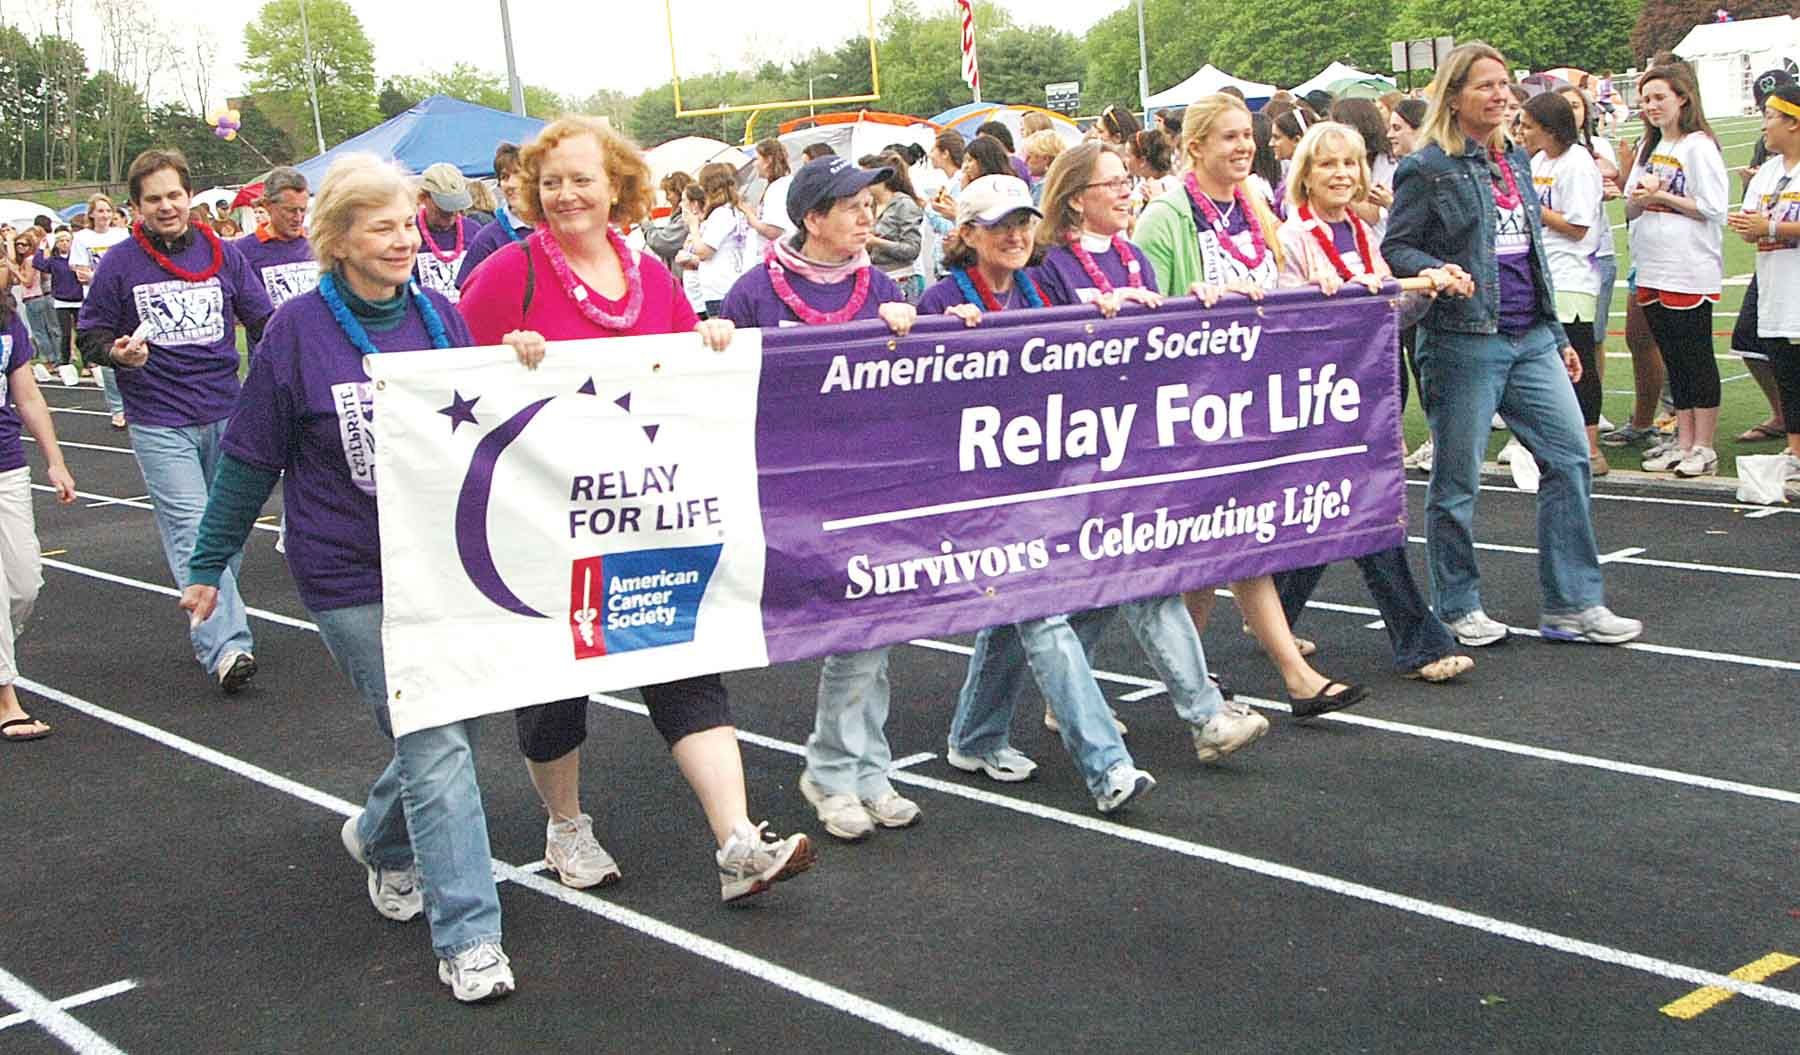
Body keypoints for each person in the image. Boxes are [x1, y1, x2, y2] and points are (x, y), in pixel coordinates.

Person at [181, 154, 515, 1003]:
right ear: (337, 238)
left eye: (409, 224)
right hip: (348, 571)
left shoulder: (443, 314)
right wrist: (208, 563)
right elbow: (250, 458)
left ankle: (379, 835)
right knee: (435, 735)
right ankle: (470, 933)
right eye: (384, 227)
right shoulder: (296, 332)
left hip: (443, 562)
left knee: (450, 732)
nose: (406, 240)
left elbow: (496, 428)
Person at [459, 115, 814, 898]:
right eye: (550, 182)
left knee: (687, 669)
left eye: (581, 178)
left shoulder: (652, 275)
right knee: (554, 688)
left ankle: (736, 842)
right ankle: (565, 825)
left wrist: (712, 341)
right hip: (544, 527)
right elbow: (444, 378)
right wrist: (499, 358)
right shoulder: (507, 274)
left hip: (645, 514)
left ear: (617, 185)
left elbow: (681, 374)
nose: (564, 194)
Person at [1383, 42, 1643, 648]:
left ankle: (1573, 604)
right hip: (1463, 339)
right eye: (1486, 86)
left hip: (1529, 337)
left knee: (1569, 459)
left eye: (1505, 85)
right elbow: (1397, 248)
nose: (1501, 96)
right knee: (1457, 481)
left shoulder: (1517, 161)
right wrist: (1437, 269)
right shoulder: (1426, 168)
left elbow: (1533, 255)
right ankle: (1457, 604)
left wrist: (1555, 333)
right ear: (1454, 96)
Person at [920, 174, 1164, 812]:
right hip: (979, 485)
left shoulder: (1043, 287)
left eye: (1025, 221)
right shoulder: (942, 297)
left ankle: (975, 736)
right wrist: (940, 335)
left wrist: (1104, 319)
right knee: (1042, 608)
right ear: (967, 234)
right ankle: (1107, 764)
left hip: (1047, 473)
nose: (1017, 235)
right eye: (1000, 224)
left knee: (1034, 604)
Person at [1132, 93, 1367, 714]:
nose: (1244, 148)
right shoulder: (1167, 215)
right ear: (1196, 145)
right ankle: (1274, 677)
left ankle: (1222, 681)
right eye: (1230, 137)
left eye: (1249, 137)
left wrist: (1310, 289)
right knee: (1212, 550)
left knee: (1230, 544)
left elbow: (1272, 285)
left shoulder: (1257, 205)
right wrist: (1198, 297)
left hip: (1252, 395)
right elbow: (1145, 311)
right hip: (1192, 401)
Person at [717, 155, 920, 842]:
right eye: (853, 205)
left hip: (869, 478)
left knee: (875, 628)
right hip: (790, 489)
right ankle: (836, 770)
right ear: (812, 218)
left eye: (871, 202)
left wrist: (908, 327)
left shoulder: (882, 284)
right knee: (854, 629)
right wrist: (712, 340)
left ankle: (860, 769)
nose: (869, 215)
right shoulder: (752, 292)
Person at [1271, 122, 1472, 684]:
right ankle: (1420, 640)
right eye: (1328, 164)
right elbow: (1285, 325)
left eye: (1351, 164)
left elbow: (1387, 314)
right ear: (1305, 175)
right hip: (1312, 400)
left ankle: (1275, 616)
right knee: (1368, 516)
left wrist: (1429, 286)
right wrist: (1322, 305)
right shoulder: (1292, 239)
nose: (1341, 174)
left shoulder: (1363, 233)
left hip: (1360, 393)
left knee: (1329, 513)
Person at [76, 148, 275, 692]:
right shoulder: (119, 264)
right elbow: (89, 335)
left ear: (189, 196)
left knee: (227, 533)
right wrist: (118, 354)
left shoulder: (224, 254)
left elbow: (262, 319)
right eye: (153, 199)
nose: (166, 207)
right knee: (192, 529)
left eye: (174, 195)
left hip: (225, 411)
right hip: (159, 418)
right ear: (136, 207)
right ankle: (228, 646)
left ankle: (212, 619)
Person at [1624, 64, 1727, 478]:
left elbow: (1714, 208)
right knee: (1673, 358)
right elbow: (1632, 205)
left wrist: (1661, 194)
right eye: (1646, 99)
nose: (1651, 106)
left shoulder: (1698, 146)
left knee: (1695, 355)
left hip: (1688, 267)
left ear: (1682, 98)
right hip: (1651, 265)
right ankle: (1683, 441)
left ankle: (1704, 444)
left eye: (1659, 97)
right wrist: (1634, 196)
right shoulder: (1649, 148)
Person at [0, 255, 76, 743]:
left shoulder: (9, 321)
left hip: (7, 463)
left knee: (26, 583)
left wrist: (55, 460)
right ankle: (6, 698)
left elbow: (27, 396)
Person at [1518, 92, 1607, 472]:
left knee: (1578, 358)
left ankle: (1591, 447)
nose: (1520, 132)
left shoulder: (1577, 165)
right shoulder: (1538, 161)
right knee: (1551, 361)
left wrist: (1535, 210)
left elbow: (1578, 226)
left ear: (1550, 129)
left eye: (1528, 126)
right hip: (1543, 270)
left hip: (1571, 272)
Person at [1726, 82, 1800, 474]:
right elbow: (1750, 220)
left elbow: (1766, 223)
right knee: (1785, 365)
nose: (1764, 126)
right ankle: (1794, 450)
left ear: (1794, 122)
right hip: (1775, 283)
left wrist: (1769, 227)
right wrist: (1750, 226)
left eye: (1771, 117)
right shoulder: (1768, 172)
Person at [70, 193, 129, 428]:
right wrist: (99, 277)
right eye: (100, 211)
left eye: (108, 211)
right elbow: (82, 274)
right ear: (91, 214)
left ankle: (135, 403)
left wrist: (99, 276)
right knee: (108, 354)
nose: (104, 215)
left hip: (123, 300)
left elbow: (127, 269)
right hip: (97, 303)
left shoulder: (121, 235)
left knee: (131, 350)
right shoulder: (82, 238)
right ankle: (117, 408)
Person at [684, 161, 764, 318]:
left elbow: (705, 252)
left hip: (720, 287)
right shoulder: (734, 210)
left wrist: (693, 226)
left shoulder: (721, 214)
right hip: (729, 283)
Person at [234, 166, 318, 312]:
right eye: (290, 210)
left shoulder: (318, 243)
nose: (298, 218)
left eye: (303, 210)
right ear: (267, 205)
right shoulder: (242, 251)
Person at [456, 143, 533, 286]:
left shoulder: (558, 230)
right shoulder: (489, 238)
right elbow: (468, 295)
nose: (510, 184)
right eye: (504, 177)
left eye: (519, 174)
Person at [413, 162, 483, 303]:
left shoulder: (474, 231)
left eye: (456, 207)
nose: (451, 214)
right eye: (443, 208)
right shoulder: (410, 234)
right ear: (423, 198)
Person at [862, 152, 925, 302]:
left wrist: (877, 242)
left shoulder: (904, 204)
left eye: (866, 178)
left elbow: (912, 249)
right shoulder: (870, 205)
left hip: (901, 281)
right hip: (876, 279)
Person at [39, 230, 81, 366]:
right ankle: (65, 361)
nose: (64, 243)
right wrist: (41, 249)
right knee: (65, 333)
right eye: (61, 241)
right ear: (56, 244)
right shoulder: (54, 261)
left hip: (78, 300)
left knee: (81, 332)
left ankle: (88, 362)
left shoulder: (78, 259)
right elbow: (39, 264)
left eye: (67, 241)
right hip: (61, 301)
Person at [748, 138, 796, 244]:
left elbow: (773, 231)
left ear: (768, 160)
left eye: (757, 159)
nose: (754, 164)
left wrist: (748, 214)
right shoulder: (783, 184)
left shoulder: (778, 188)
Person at [643, 171, 693, 273]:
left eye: (668, 193)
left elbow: (663, 243)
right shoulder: (679, 218)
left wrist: (645, 222)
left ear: (680, 192)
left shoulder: (685, 220)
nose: (667, 197)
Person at [1126, 128, 1179, 215]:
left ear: (1142, 161)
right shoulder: (1142, 184)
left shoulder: (1169, 187)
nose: (1125, 160)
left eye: (1128, 155)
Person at [1022, 130, 1066, 202]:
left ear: (1045, 158)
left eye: (1029, 157)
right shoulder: (1065, 180)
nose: (1025, 162)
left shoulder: (1043, 187)